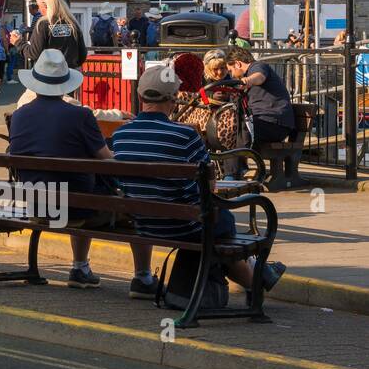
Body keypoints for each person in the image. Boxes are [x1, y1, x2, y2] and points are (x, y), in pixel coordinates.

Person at [112, 65, 285, 299]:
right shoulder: (185, 135)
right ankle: (257, 278)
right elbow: (210, 185)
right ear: (173, 99)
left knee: (215, 224)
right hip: (184, 226)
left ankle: (258, 276)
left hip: (141, 223)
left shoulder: (121, 135)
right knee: (221, 220)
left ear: (141, 96)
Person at [8, 48, 111, 287]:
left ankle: (74, 267)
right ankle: (79, 267)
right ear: (65, 84)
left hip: (35, 204)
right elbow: (107, 159)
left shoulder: (20, 115)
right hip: (73, 208)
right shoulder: (81, 115)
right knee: (97, 190)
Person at [225, 47, 295, 144]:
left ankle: (233, 157)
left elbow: (259, 77)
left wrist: (248, 80)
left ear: (237, 64)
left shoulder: (257, 66)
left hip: (274, 124)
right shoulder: (248, 73)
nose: (232, 75)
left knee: (237, 132)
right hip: (266, 122)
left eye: (230, 70)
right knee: (231, 128)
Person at [12, 0, 87, 69]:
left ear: (47, 6)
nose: (39, 10)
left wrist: (18, 42)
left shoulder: (43, 24)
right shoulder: (73, 23)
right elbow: (82, 55)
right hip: (70, 75)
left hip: (49, 76)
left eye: (39, 6)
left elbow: (33, 53)